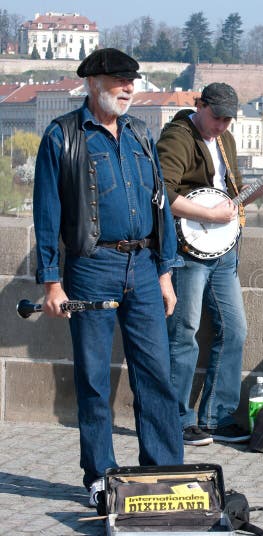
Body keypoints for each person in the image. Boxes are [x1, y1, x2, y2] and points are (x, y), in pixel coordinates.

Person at [32, 48, 183, 508]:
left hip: (142, 265)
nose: (128, 88)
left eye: (132, 81)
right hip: (92, 267)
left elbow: (161, 208)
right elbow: (46, 216)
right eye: (119, 80)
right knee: (95, 379)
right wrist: (52, 282)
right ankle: (100, 475)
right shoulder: (63, 136)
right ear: (93, 82)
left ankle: (165, 473)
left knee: (156, 375)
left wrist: (165, 272)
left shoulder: (140, 134)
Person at [157, 83, 263, 446]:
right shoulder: (178, 137)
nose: (222, 126)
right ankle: (177, 419)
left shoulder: (225, 142)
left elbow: (234, 199)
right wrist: (207, 214)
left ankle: (216, 416)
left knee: (235, 330)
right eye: (217, 118)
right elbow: (162, 194)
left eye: (228, 120)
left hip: (223, 250)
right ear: (200, 106)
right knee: (184, 333)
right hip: (188, 250)